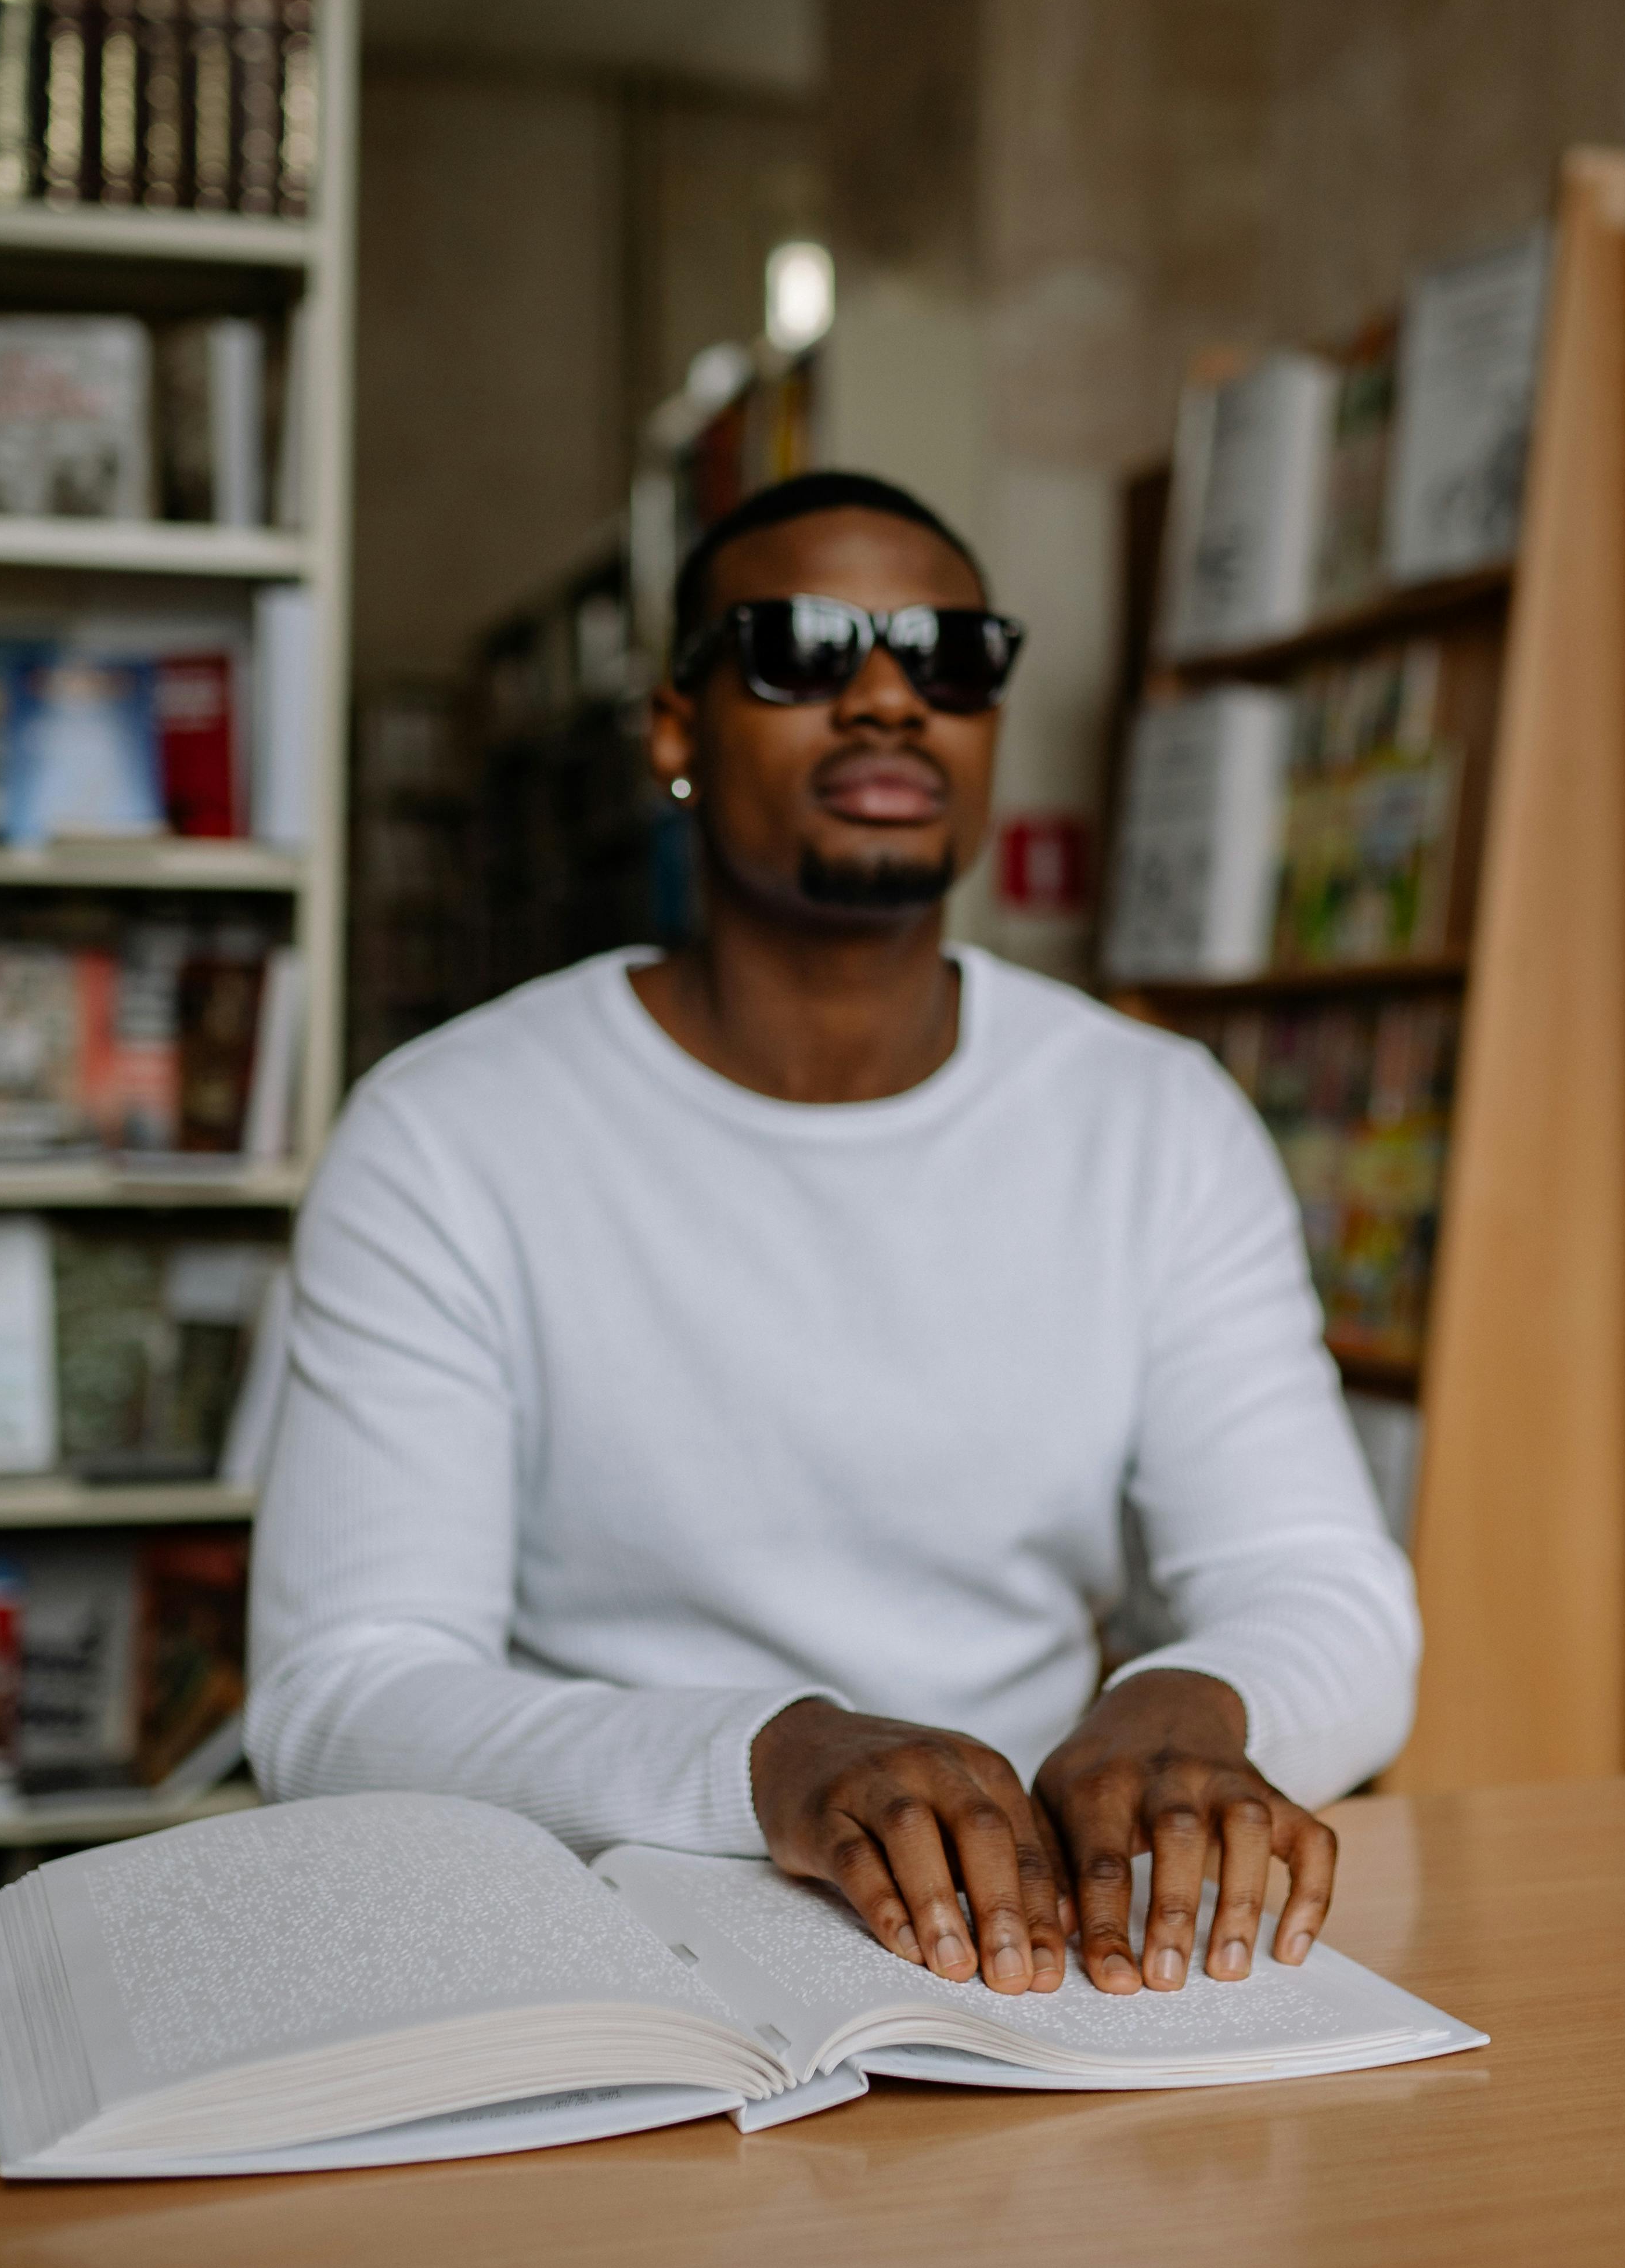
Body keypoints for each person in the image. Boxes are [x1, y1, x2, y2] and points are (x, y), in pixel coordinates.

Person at [247, 470, 1420, 1999]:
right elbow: (343, 1690)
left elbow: (1324, 1586)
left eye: (949, 658)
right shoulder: (447, 1132)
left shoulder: (1152, 1118)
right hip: (605, 1949)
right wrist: (771, 1757)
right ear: (674, 729)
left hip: (1034, 1953)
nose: (884, 698)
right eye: (802, 650)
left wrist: (1188, 1708)